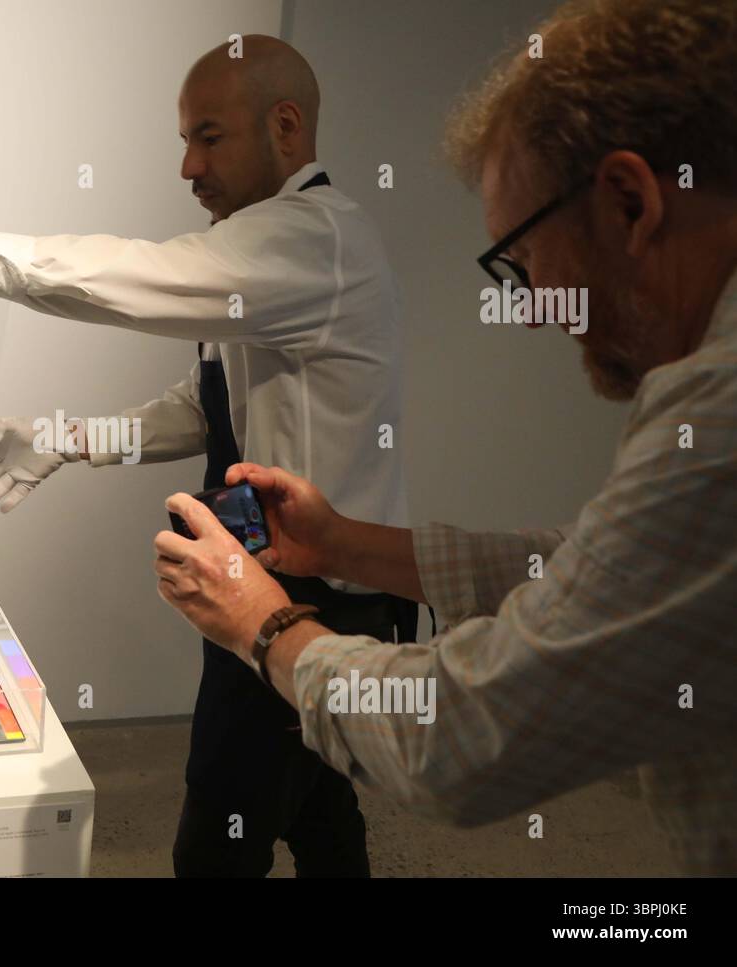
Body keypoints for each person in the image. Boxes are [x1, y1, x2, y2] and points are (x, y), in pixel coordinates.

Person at [0, 34, 416, 876]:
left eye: (209, 135)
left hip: (304, 597)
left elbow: (130, 278)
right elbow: (208, 408)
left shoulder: (309, 239)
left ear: (286, 126)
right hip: (282, 581)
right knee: (316, 803)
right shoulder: (269, 252)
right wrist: (66, 438)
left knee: (218, 840)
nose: (188, 166)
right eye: (183, 139)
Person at [154, 0, 737, 874]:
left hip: (307, 609)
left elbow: (460, 739)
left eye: (524, 260)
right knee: (317, 811)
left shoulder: (717, 410)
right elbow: (601, 561)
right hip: (335, 575)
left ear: (628, 202)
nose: (534, 307)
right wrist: (351, 542)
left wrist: (264, 627)